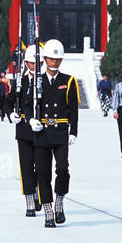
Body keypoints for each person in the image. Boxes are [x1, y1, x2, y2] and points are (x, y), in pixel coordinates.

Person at [27, 39, 78, 228]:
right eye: (51, 58)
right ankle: (48, 210)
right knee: (42, 173)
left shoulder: (69, 81)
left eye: (58, 58)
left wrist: (74, 131)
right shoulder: (36, 80)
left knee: (63, 169)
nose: (54, 62)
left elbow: (73, 109)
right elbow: (28, 105)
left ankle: (59, 201)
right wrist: (31, 119)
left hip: (61, 131)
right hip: (42, 132)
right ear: (45, 59)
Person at [11, 50, 42, 216]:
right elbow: (9, 101)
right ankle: (29, 198)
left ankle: (37, 190)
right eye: (32, 63)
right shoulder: (20, 82)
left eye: (37, 63)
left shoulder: (44, 81)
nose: (35, 66)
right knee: (26, 166)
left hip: (40, 130)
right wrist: (11, 114)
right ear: (26, 63)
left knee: (41, 166)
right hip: (23, 129)